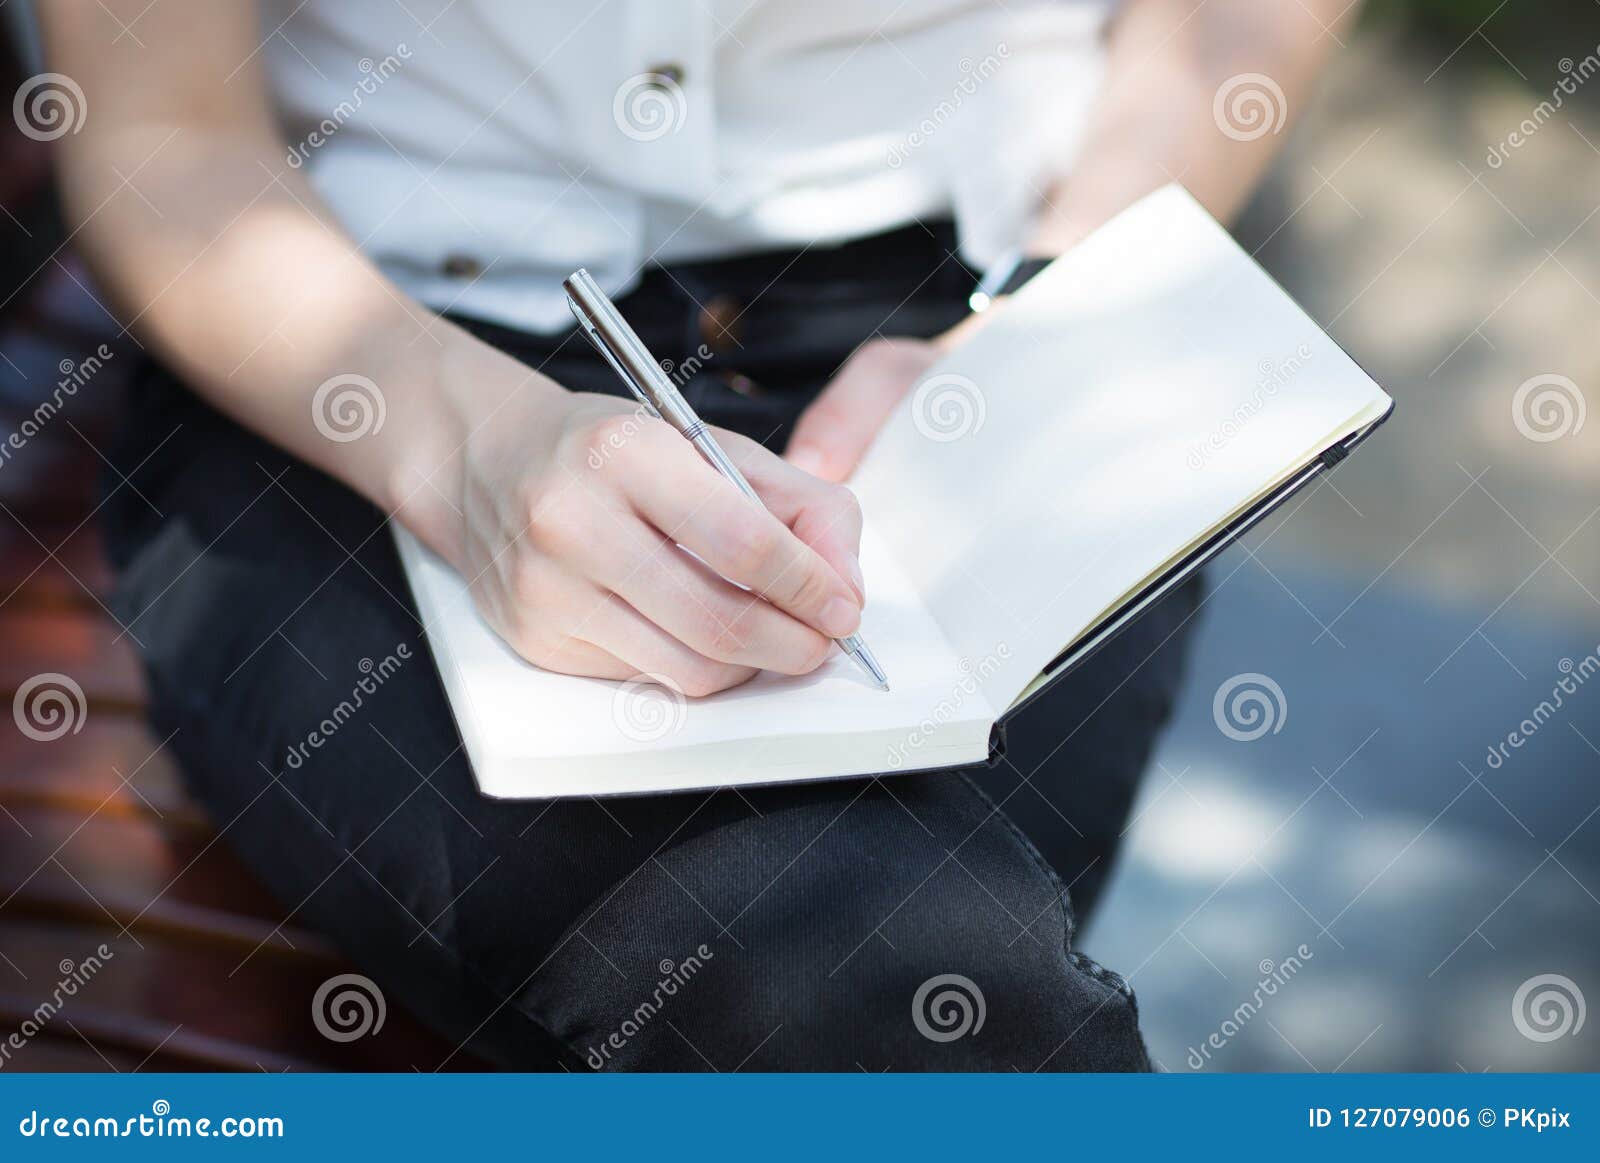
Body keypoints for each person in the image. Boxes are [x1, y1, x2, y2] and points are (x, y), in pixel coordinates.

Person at [39, 0, 1352, 1070]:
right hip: (351, 359)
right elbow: (165, 128)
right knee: (885, 998)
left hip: (999, 318)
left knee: (922, 1010)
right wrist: (460, 445)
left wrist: (1043, 322)